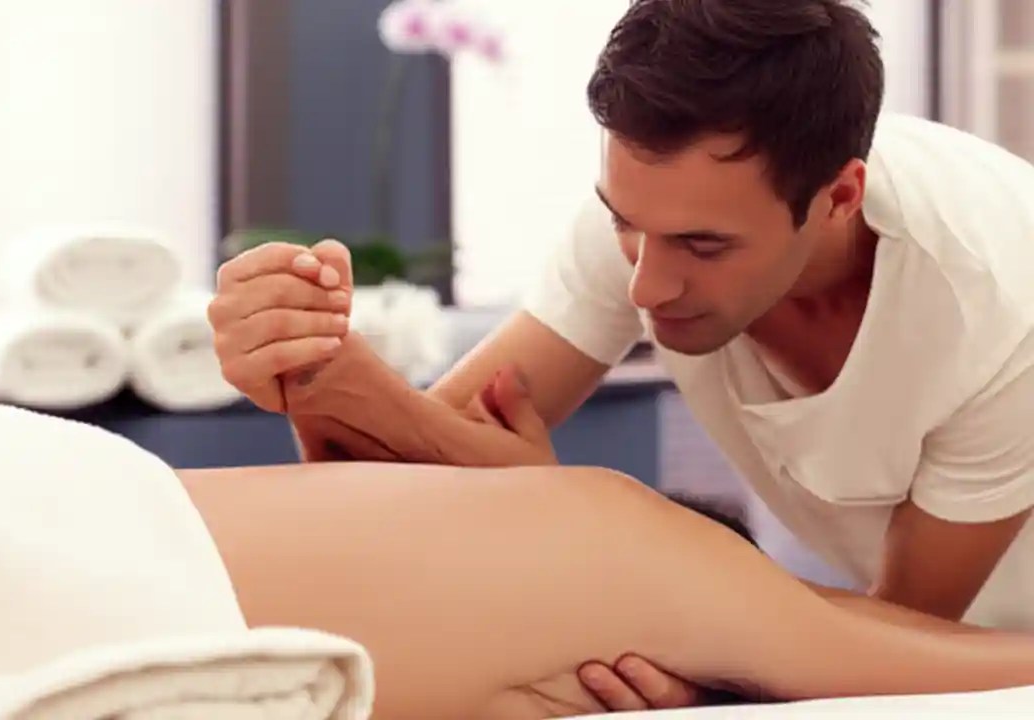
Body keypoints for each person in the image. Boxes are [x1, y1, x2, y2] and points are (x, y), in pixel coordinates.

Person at [208, 0, 1034, 711]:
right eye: (623, 222)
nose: (645, 286)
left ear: (839, 199)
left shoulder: (998, 303)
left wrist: (701, 662)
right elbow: (408, 493)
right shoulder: (665, 208)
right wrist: (310, 371)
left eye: (703, 246)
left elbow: (886, 648)